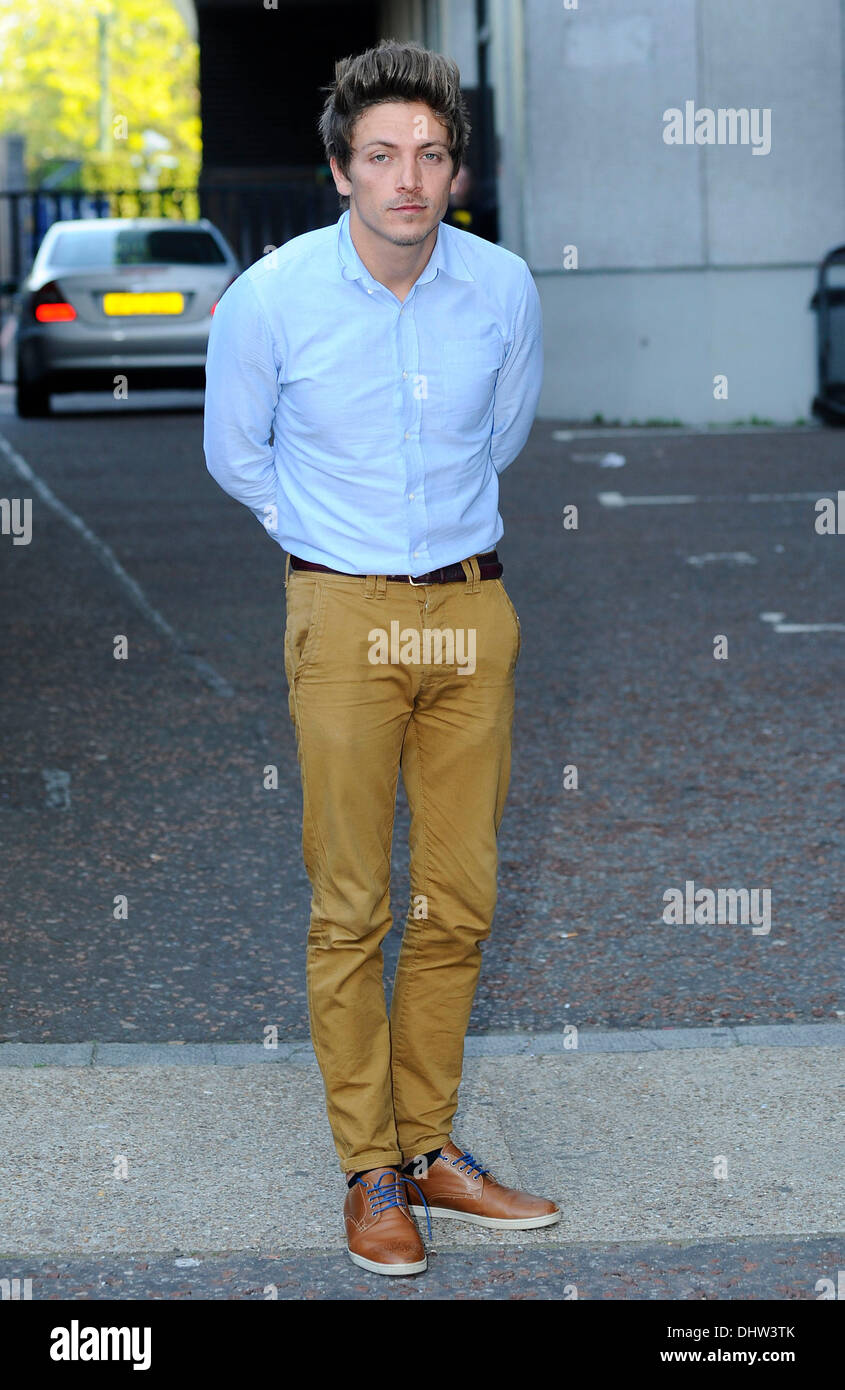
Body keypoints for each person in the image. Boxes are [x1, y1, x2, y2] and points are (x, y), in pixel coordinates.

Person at [203, 38, 559, 1278]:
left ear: (454, 168)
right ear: (340, 171)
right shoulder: (270, 298)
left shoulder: (504, 287)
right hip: (343, 617)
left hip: (472, 613)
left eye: (427, 154)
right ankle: (370, 1171)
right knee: (351, 905)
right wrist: (334, 557)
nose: (406, 178)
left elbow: (500, 434)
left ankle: (432, 1148)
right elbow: (236, 455)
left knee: (455, 902)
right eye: (380, 157)